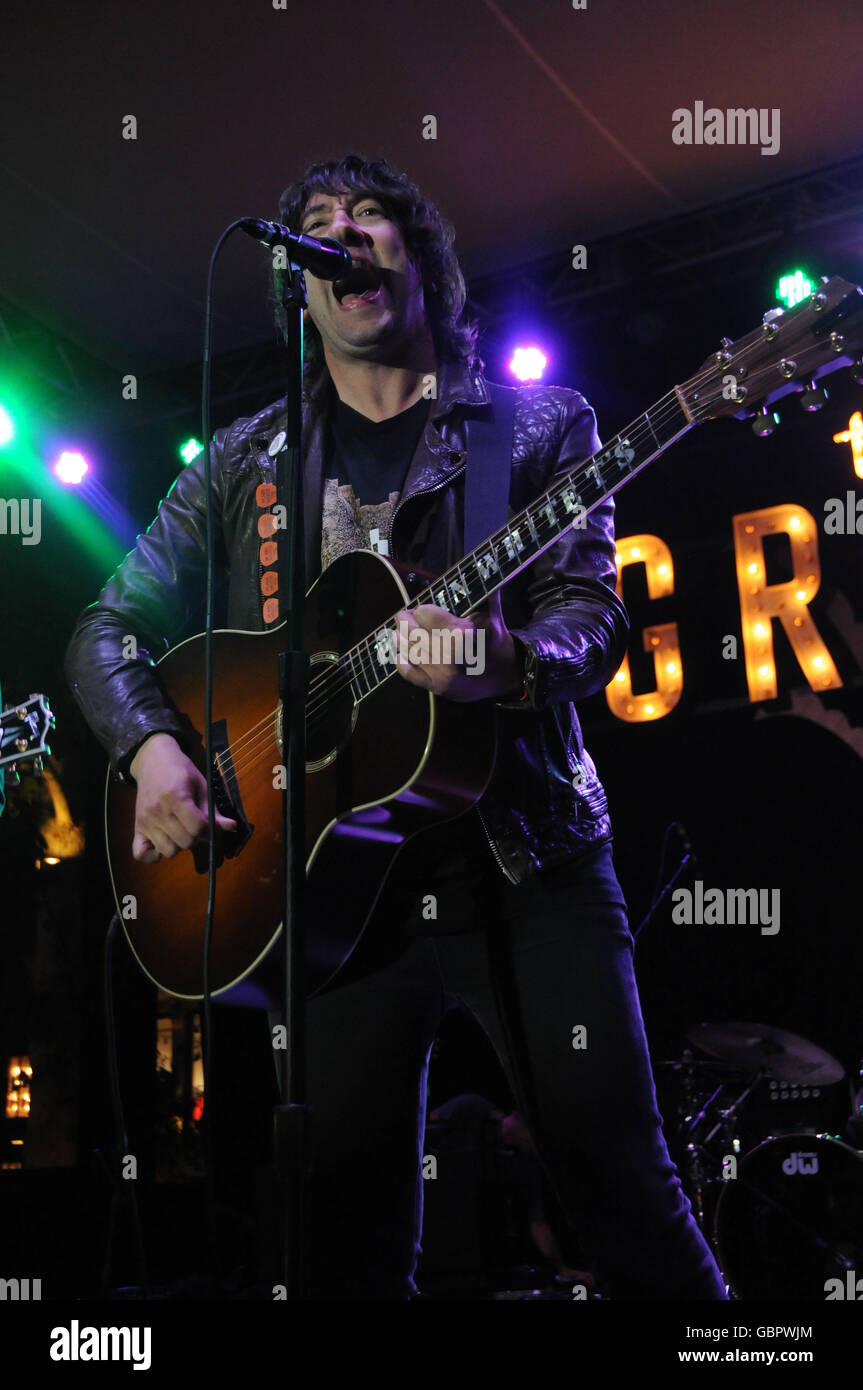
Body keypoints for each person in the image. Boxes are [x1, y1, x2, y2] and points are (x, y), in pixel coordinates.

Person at [65, 153, 727, 1300]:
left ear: (420, 261)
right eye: (318, 223)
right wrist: (153, 747)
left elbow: (590, 617)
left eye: (370, 216)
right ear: (301, 283)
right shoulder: (241, 462)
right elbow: (105, 628)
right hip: (330, 886)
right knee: (343, 1244)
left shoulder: (534, 422)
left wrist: (501, 661)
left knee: (619, 1185)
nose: (344, 234)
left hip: (525, 861)